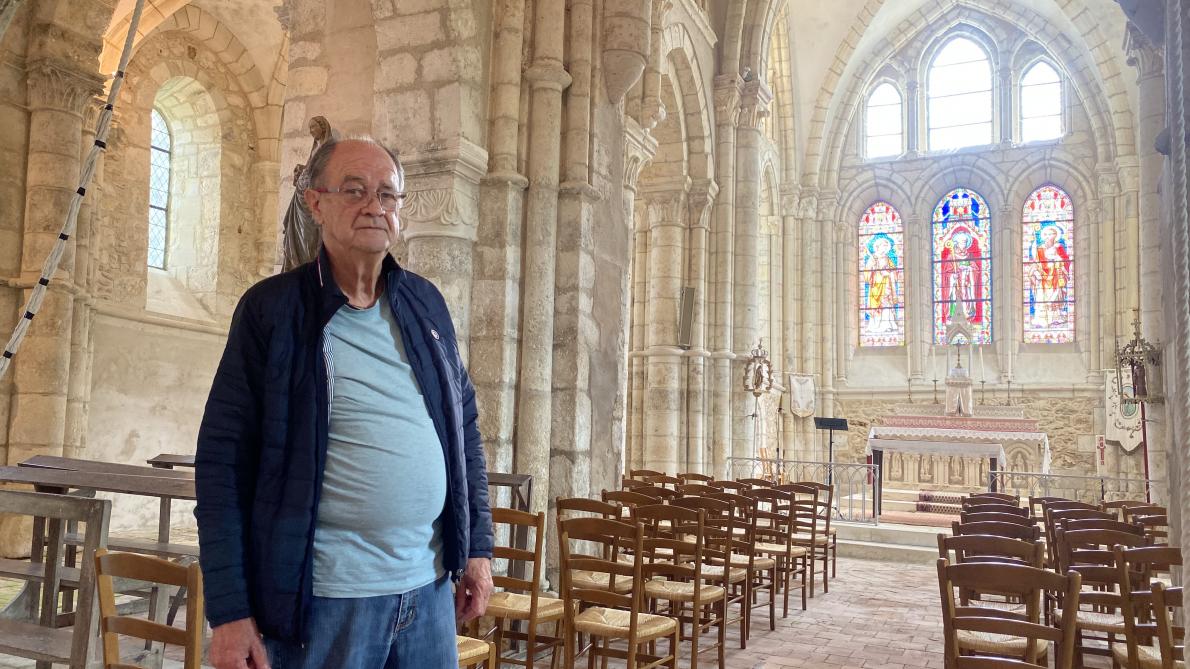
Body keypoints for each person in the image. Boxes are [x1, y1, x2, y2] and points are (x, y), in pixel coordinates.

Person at [195, 136, 494, 669]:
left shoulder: (425, 304)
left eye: (387, 194)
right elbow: (221, 462)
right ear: (316, 202)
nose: (374, 206)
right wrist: (230, 611)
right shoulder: (273, 310)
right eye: (354, 190)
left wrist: (476, 550)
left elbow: (462, 428)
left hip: (426, 591)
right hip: (327, 600)